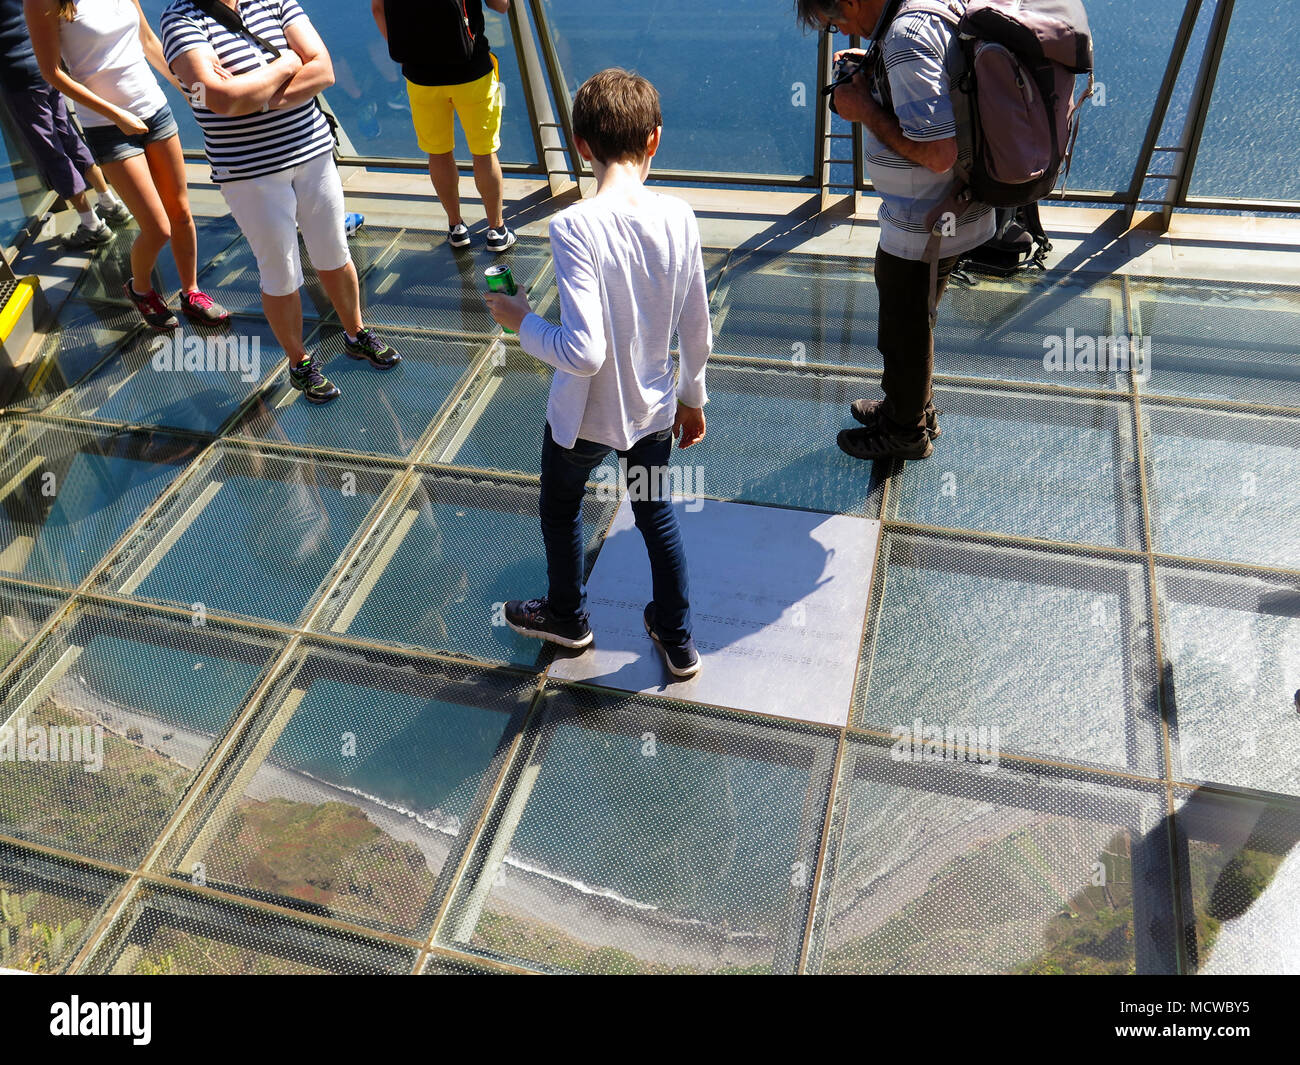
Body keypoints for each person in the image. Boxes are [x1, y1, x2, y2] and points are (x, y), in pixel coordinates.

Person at [484, 69, 711, 679]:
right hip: (654, 411)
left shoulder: (574, 225)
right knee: (655, 515)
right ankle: (678, 637)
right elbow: (696, 328)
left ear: (581, 146)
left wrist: (521, 320)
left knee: (561, 509)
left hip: (584, 416)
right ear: (654, 139)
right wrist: (691, 398)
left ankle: (567, 617)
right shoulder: (681, 218)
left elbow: (583, 351)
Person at [161, 0, 400, 406]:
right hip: (249, 173)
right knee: (281, 270)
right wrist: (287, 64)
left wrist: (258, 95)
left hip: (311, 152)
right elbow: (221, 100)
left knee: (334, 251)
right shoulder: (179, 19)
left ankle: (356, 333)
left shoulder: (273, 1)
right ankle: (299, 362)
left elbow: (323, 69)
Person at [797, 0, 995, 460]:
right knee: (911, 319)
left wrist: (863, 108)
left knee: (904, 330)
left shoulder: (905, 38)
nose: (842, 30)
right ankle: (910, 406)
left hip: (926, 221)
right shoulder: (914, 12)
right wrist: (874, 64)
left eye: (837, 20)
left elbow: (938, 152)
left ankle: (906, 431)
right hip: (941, 212)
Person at [24, 0, 229, 328]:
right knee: (157, 227)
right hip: (109, 128)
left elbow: (148, 42)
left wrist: (197, 95)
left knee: (181, 213)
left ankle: (192, 293)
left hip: (155, 110)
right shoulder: (43, 3)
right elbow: (53, 73)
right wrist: (116, 114)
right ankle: (140, 288)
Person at [371, 0, 516, 253]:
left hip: (421, 77)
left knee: (438, 152)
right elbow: (501, 5)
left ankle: (456, 227)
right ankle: (497, 230)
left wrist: (406, 54)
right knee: (484, 152)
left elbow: (378, 9)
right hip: (472, 71)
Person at [0, 0, 134, 248]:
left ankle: (92, 224)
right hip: (46, 67)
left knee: (50, 152)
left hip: (18, 77)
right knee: (69, 135)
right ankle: (110, 202)